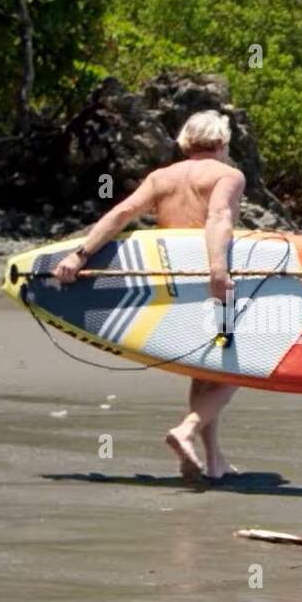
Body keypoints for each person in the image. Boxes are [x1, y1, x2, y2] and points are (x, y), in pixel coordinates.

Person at [53, 110, 246, 482]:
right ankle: (186, 429)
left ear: (185, 142)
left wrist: (80, 254)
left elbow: (123, 212)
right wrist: (218, 270)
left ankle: (215, 459)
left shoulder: (161, 177)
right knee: (238, 365)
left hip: (168, 280)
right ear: (222, 143)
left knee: (203, 367)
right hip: (209, 277)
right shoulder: (228, 175)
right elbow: (218, 217)